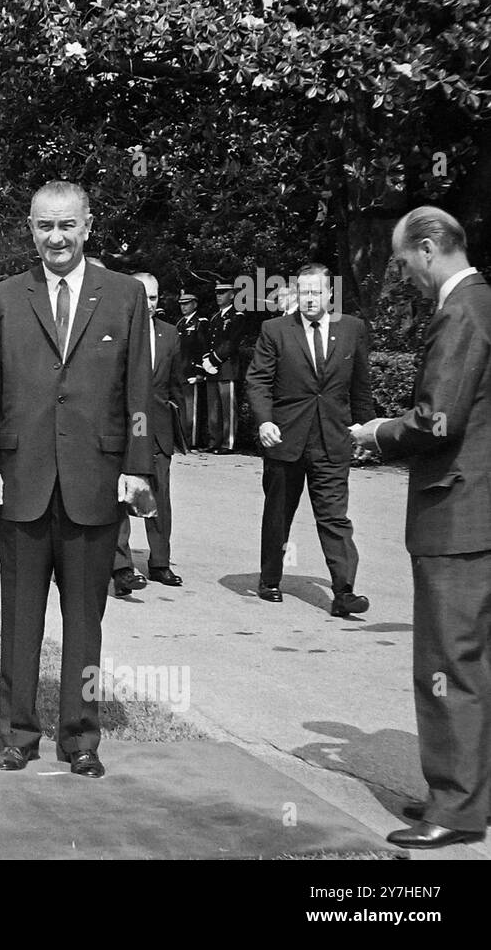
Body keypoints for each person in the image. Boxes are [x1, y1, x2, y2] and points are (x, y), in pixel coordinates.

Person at [0, 180, 154, 778]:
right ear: (31, 229)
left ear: (87, 226)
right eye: (45, 226)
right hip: (21, 481)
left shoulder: (126, 295)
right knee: (19, 619)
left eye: (66, 226)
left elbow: (138, 390)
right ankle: (17, 735)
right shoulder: (2, 298)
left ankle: (81, 738)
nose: (56, 237)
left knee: (85, 621)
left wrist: (136, 466)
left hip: (95, 482)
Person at [352, 206, 491, 849]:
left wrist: (379, 432)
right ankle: (466, 794)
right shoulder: (482, 304)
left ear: (430, 248)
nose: (403, 273)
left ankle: (457, 808)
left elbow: (440, 421)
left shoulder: (461, 311)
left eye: (404, 261)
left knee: (447, 663)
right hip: (475, 509)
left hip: (457, 516)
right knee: (473, 665)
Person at [247, 263, 374, 615]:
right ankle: (270, 579)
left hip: (332, 440)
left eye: (316, 292)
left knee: (334, 517)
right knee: (278, 514)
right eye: (304, 292)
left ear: (330, 294)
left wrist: (364, 430)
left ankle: (344, 591)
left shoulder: (351, 329)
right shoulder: (275, 330)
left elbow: (360, 386)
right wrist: (264, 422)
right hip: (285, 440)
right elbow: (258, 381)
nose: (310, 299)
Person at [113, 273, 186, 596]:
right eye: (142, 296)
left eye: (154, 298)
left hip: (157, 430)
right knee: (120, 498)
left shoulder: (170, 335)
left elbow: (176, 385)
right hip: (121, 429)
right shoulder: (113, 331)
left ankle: (160, 563)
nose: (148, 304)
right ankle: (122, 567)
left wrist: (176, 426)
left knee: (160, 499)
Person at [200, 279, 245, 453]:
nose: (218, 296)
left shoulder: (237, 315)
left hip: (226, 367)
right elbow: (207, 341)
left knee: (228, 408)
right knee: (214, 408)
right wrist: (205, 359)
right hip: (212, 368)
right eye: (217, 293)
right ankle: (214, 442)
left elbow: (231, 343)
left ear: (232, 295)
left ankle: (228, 443)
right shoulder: (215, 317)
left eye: (223, 293)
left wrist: (213, 360)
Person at [175, 291, 208, 449]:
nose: (183, 307)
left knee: (192, 410)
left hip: (193, 370)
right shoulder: (180, 323)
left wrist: (200, 372)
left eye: (187, 303)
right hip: (181, 371)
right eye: (181, 304)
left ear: (195, 304)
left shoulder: (200, 322)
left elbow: (203, 348)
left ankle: (193, 441)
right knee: (182, 408)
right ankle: (183, 440)